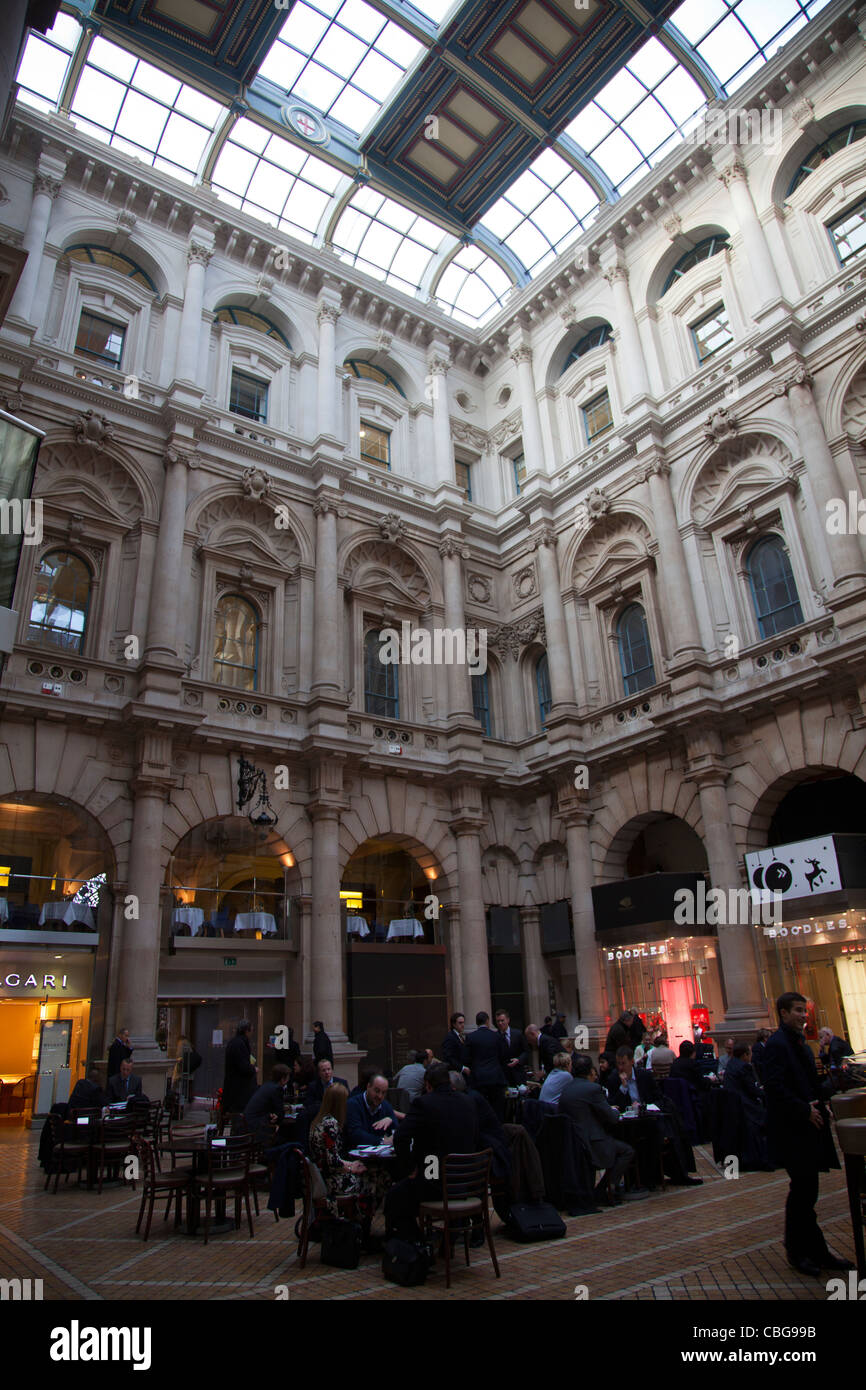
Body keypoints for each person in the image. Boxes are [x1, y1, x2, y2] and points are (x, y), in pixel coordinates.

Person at [762, 991, 852, 1277]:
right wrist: (803, 1109)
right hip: (794, 1130)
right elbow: (775, 1087)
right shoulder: (777, 1045)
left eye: (805, 1010)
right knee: (802, 1191)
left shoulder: (798, 1043)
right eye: (798, 1010)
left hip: (807, 1125)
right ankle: (798, 1251)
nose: (804, 1015)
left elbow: (806, 1082)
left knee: (806, 1192)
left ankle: (815, 1251)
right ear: (783, 1013)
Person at [386, 1062, 480, 1237]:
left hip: (434, 1178)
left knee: (394, 1197)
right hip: (466, 1181)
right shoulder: (468, 1101)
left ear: (428, 1085)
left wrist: (410, 1167)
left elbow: (401, 1137)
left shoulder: (424, 1103)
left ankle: (414, 1244)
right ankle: (444, 1240)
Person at [558, 1053, 636, 1205]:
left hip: (573, 1140)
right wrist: (613, 1110)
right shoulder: (592, 1089)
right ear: (590, 1071)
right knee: (627, 1151)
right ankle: (605, 1189)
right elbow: (612, 1118)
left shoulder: (567, 1088)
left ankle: (602, 1190)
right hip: (591, 1142)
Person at [309, 1083, 389, 1224]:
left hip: (325, 1176)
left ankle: (362, 1223)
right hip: (333, 1181)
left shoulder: (320, 1121)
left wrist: (351, 1164)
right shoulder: (331, 1125)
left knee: (373, 1174)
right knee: (376, 1180)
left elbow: (330, 1157)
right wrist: (352, 1167)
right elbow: (333, 1162)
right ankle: (363, 1224)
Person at [464, 1011, 509, 1119]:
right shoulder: (496, 1036)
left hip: (478, 1079)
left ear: (476, 1023)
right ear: (488, 1021)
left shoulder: (470, 1037)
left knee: (481, 1111)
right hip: (495, 1078)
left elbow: (466, 1058)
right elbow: (503, 1057)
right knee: (497, 1111)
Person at [346, 1073, 398, 1150]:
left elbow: (398, 1130)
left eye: (383, 1093)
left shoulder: (385, 1105)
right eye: (377, 1091)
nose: (380, 1096)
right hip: (357, 1156)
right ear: (368, 1086)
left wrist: (391, 1120)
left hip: (382, 1157)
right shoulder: (353, 1104)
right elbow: (356, 1134)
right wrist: (382, 1141)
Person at [243, 1064, 290, 1145]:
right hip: (258, 1128)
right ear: (283, 1079)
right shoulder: (277, 1089)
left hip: (248, 1125)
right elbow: (280, 1113)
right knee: (286, 1137)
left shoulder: (267, 1085)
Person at [222, 1020, 257, 1114]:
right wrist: (253, 1069)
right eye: (252, 1030)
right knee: (238, 1114)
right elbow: (242, 1065)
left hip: (234, 1087)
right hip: (239, 1089)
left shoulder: (235, 1042)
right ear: (247, 1031)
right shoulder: (240, 1044)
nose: (252, 1033)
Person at [494, 1009, 528, 1079]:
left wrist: (519, 1060)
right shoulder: (494, 1037)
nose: (500, 1023)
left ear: (508, 1020)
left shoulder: (518, 1034)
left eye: (502, 1020)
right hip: (503, 1075)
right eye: (498, 1021)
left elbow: (526, 1051)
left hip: (518, 1073)